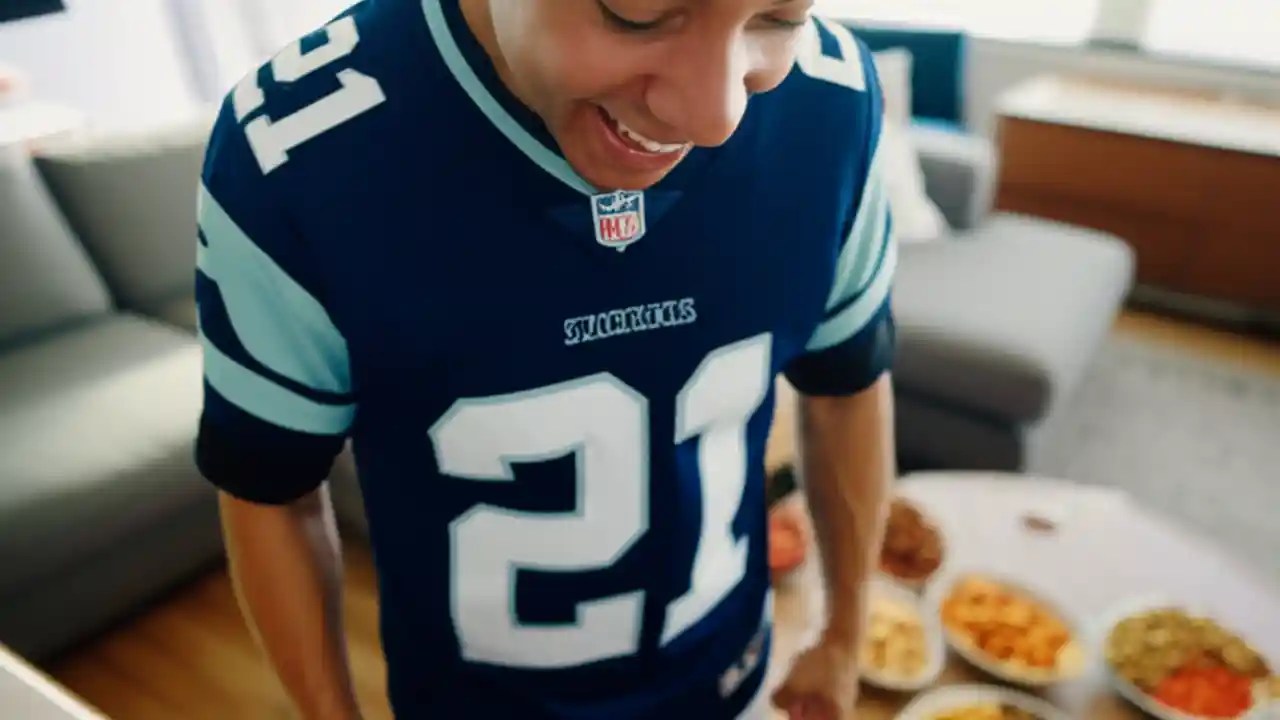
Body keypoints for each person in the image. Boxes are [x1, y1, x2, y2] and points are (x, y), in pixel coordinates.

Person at [194, 0, 897, 717]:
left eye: (777, 17)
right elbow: (270, 487)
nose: (716, 117)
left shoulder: (832, 104)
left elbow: (848, 383)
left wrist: (845, 631)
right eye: (638, 12)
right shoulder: (293, 156)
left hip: (731, 675)